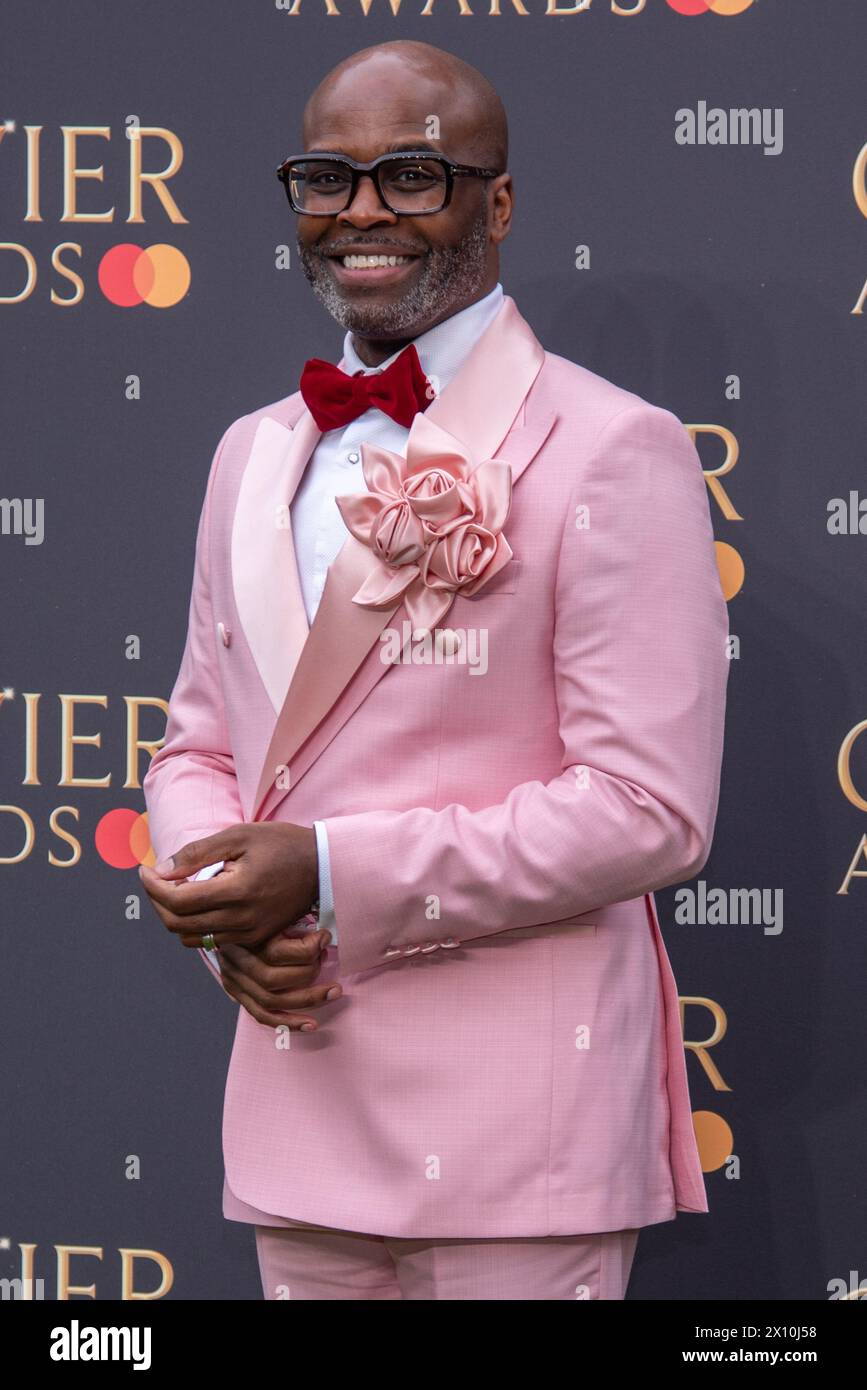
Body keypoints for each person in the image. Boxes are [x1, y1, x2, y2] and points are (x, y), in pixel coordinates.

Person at [141, 38, 729, 1301]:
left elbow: (651, 811)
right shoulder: (249, 454)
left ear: (497, 202)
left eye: (412, 175)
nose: (360, 213)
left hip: (527, 1129)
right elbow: (199, 744)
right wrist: (220, 910)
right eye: (326, 178)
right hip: (304, 1089)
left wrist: (332, 870)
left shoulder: (615, 448)